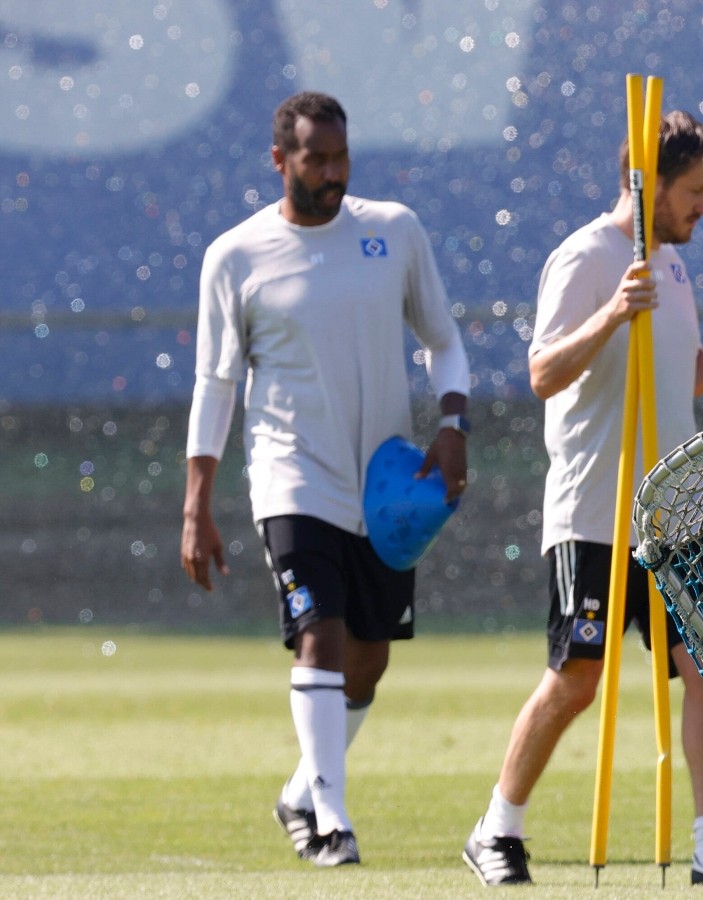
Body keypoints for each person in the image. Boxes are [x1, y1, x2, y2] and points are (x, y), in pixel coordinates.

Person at [460, 110, 703, 888]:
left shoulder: (672, 266)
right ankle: (497, 828)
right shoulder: (586, 256)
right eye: (694, 192)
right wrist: (613, 311)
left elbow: (686, 372)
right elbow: (543, 372)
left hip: (676, 512)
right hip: (596, 510)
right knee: (577, 678)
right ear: (647, 184)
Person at [180, 91, 470, 868]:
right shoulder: (236, 256)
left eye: (341, 157)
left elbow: (442, 340)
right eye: (317, 159)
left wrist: (454, 424)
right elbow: (215, 384)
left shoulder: (393, 230)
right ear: (280, 160)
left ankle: (301, 792)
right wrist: (197, 503)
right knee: (321, 636)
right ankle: (333, 823)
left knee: (369, 660)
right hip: (292, 479)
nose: (333, 173)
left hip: (384, 484)